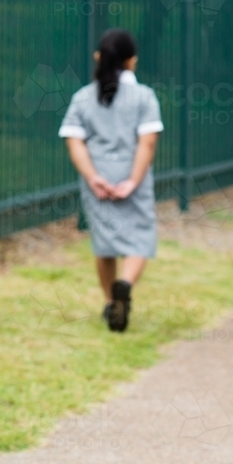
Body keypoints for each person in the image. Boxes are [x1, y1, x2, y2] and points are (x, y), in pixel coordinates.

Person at [59, 29, 163, 332]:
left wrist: (93, 178)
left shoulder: (82, 98)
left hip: (99, 177)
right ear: (133, 60)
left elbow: (75, 142)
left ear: (98, 58)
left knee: (104, 243)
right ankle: (125, 284)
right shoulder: (144, 97)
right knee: (139, 238)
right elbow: (148, 143)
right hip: (133, 176)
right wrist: (132, 180)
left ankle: (110, 301)